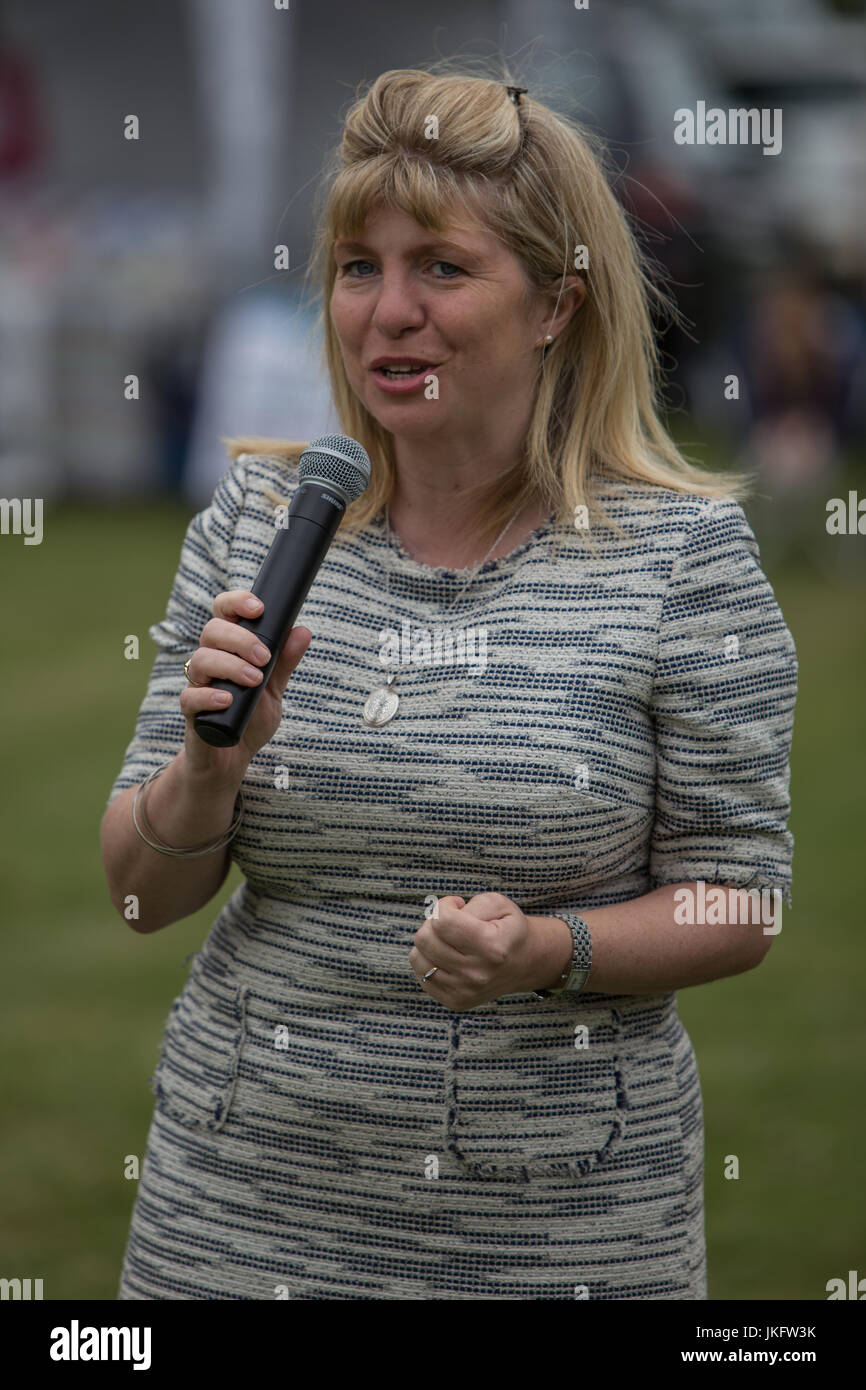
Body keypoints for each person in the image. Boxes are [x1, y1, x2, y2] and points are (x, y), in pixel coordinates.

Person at [101, 66, 797, 1300]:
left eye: (441, 266)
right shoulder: (263, 524)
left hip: (556, 1234)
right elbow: (140, 903)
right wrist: (208, 773)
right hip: (238, 1215)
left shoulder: (680, 558)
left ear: (555, 304)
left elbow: (735, 903)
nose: (387, 313)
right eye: (358, 266)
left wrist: (549, 948)